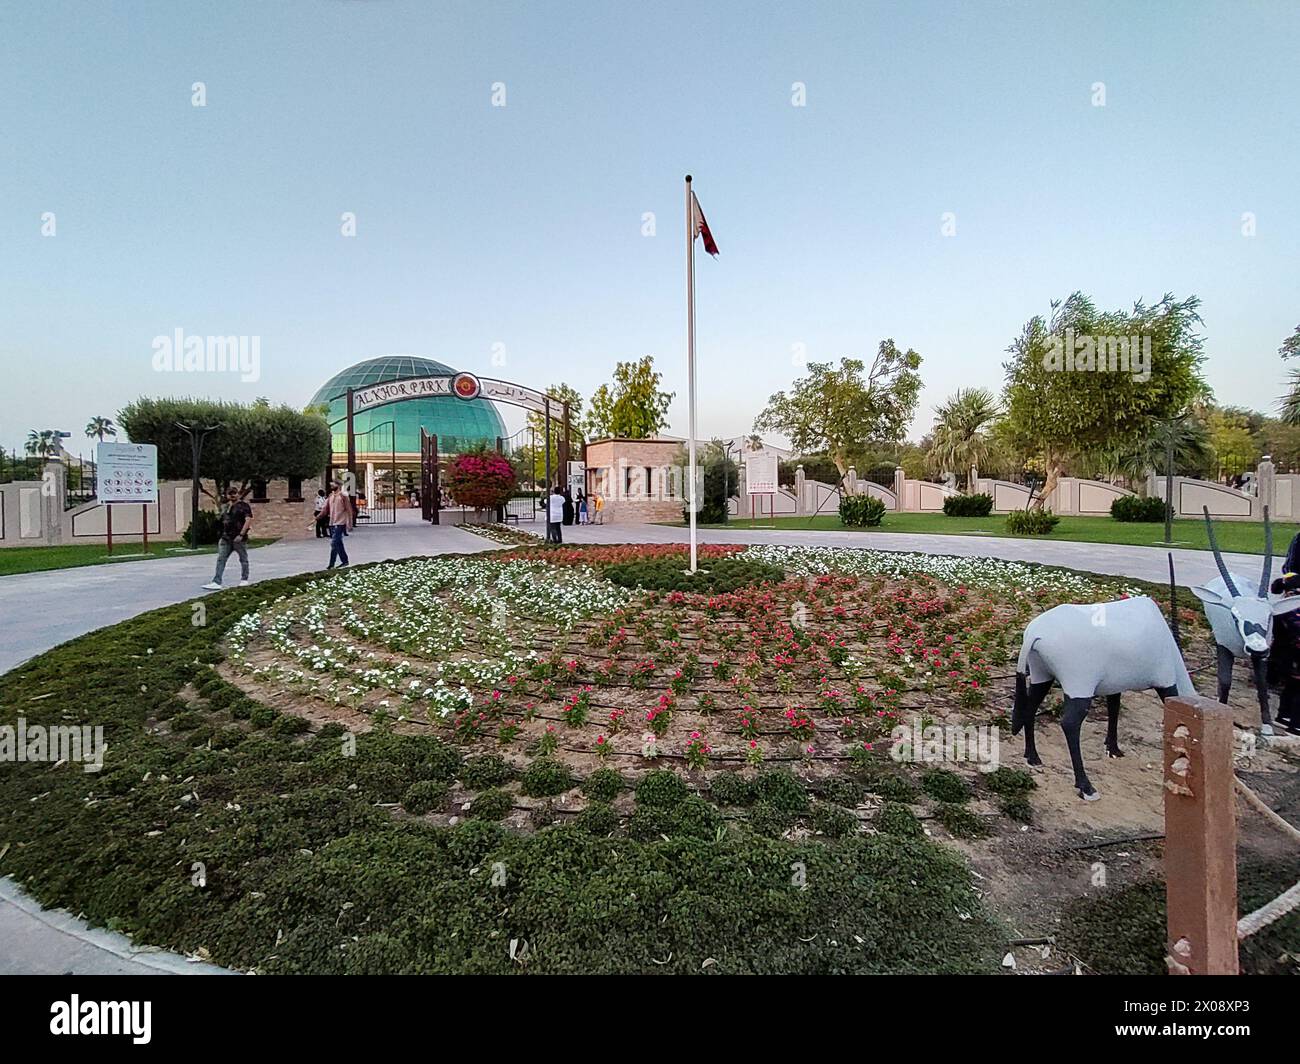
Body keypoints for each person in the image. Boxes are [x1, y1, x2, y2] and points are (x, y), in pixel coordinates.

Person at [202, 486, 253, 590]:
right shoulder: (227, 507)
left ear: (238, 494)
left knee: (243, 559)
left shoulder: (244, 506)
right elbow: (222, 520)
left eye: (234, 493)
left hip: (238, 538)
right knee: (221, 559)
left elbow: (248, 520)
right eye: (230, 493)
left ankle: (244, 579)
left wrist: (241, 534)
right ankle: (217, 581)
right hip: (226, 538)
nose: (232, 495)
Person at [325, 481, 351, 569]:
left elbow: (349, 509)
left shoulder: (343, 496)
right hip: (332, 522)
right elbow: (325, 509)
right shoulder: (330, 496)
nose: (331, 486)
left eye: (333, 485)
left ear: (338, 486)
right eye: (331, 485)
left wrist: (349, 523)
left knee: (334, 543)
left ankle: (331, 564)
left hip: (340, 523)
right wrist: (317, 517)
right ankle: (345, 561)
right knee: (339, 543)